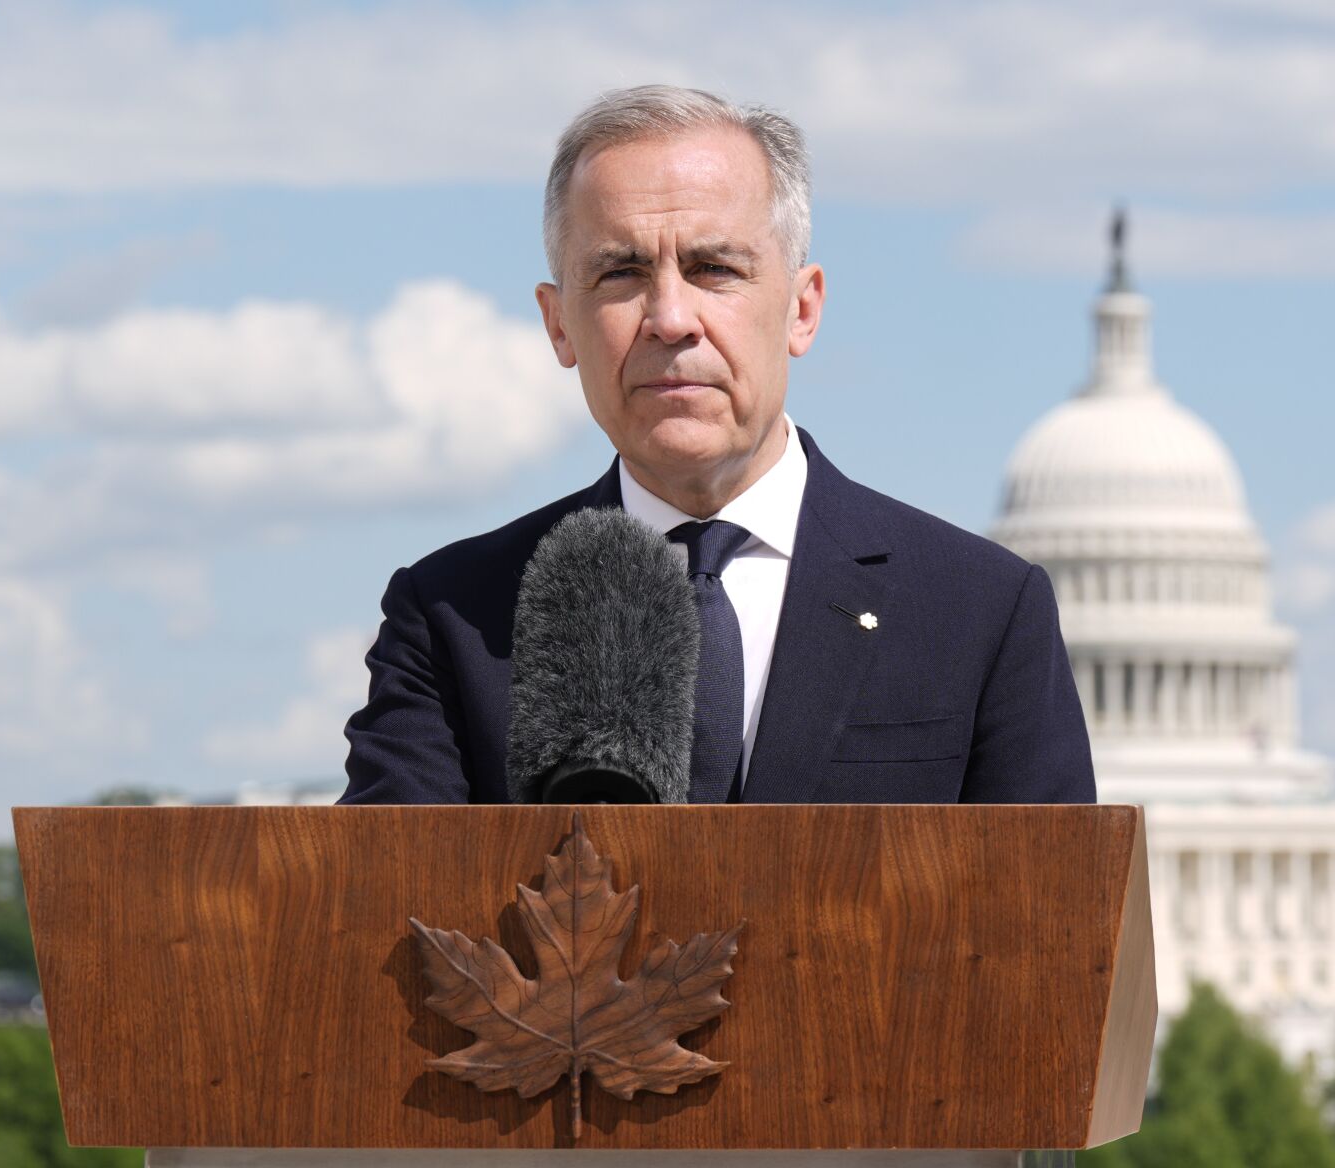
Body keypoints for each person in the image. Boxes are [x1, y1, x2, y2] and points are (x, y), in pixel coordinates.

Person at [340, 85, 1093, 805]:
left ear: (801, 309)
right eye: (621, 272)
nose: (670, 317)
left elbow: (1055, 920)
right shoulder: (453, 617)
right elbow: (380, 909)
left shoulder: (980, 610)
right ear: (559, 324)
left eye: (714, 269)